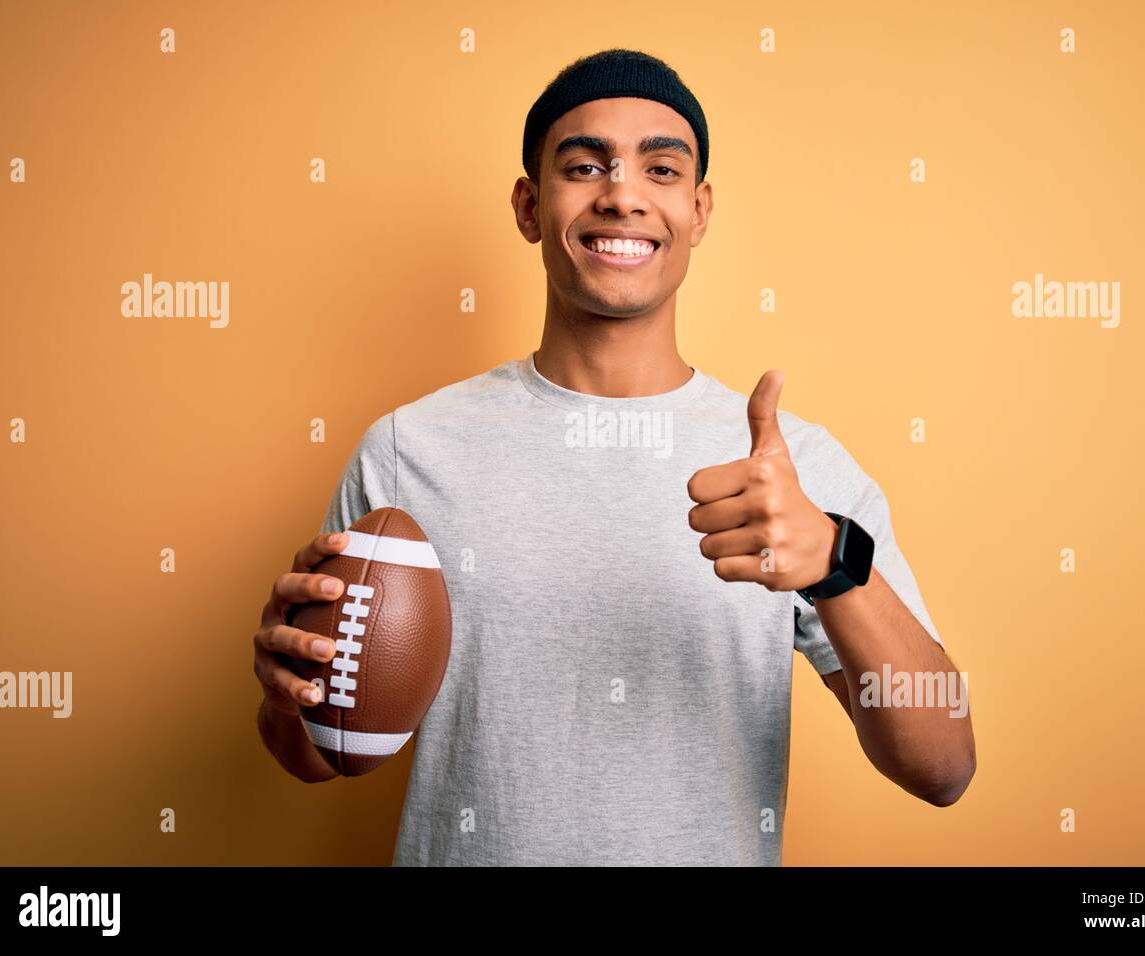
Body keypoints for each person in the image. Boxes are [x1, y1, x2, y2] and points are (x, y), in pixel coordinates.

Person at [253, 48, 975, 865]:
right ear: (530, 206)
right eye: (585, 165)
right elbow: (315, 756)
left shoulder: (789, 470)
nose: (623, 194)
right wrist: (288, 695)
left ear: (699, 211)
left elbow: (943, 766)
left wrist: (837, 562)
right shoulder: (407, 450)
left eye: (660, 169)